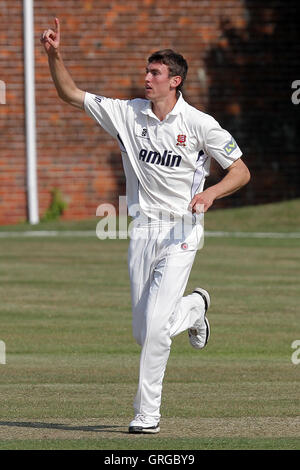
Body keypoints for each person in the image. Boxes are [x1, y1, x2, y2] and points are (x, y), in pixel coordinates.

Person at [41, 18, 250, 434]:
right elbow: (68, 93)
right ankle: (194, 308)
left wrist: (210, 194)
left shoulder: (200, 125)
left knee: (155, 329)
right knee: (145, 332)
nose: (146, 78)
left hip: (182, 232)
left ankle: (146, 414)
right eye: (146, 72)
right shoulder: (128, 114)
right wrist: (54, 54)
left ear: (175, 81)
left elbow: (241, 172)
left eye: (154, 73)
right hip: (143, 232)